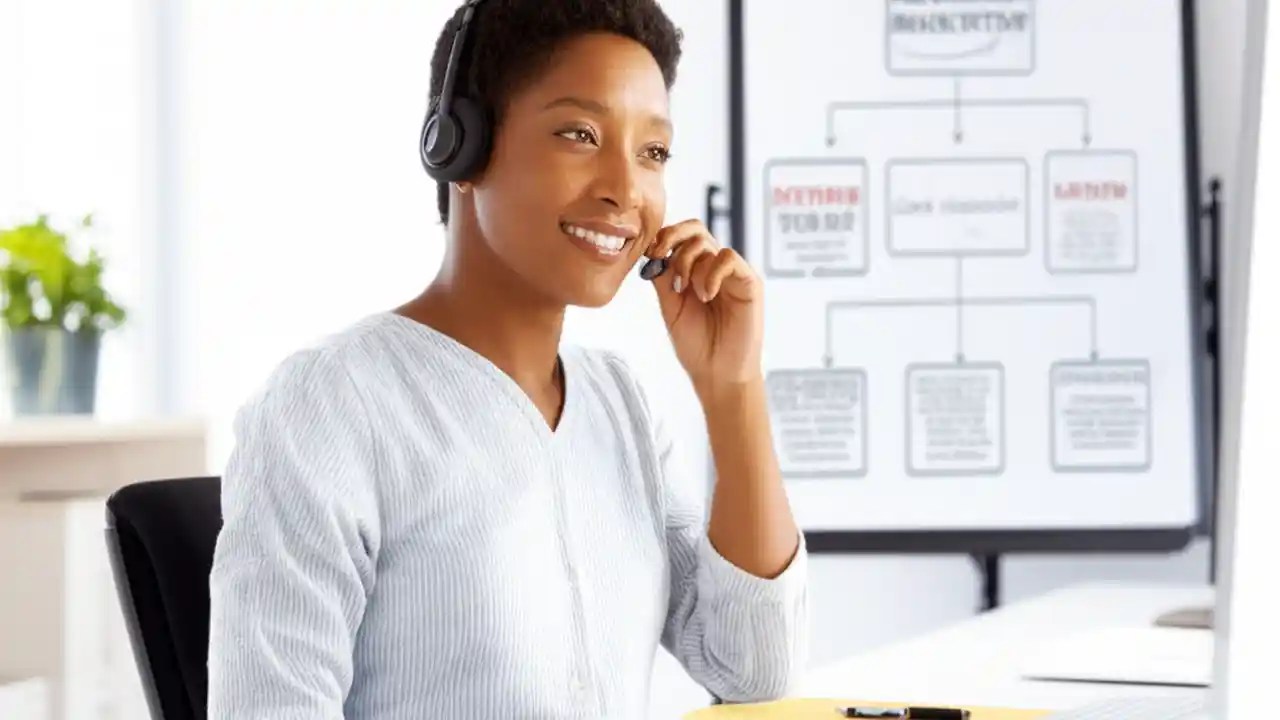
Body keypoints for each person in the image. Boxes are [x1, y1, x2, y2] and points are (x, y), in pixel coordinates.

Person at [206, 0, 808, 717]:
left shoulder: (621, 405)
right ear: (460, 148)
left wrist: (731, 388)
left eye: (652, 152)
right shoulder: (331, 406)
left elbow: (755, 672)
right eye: (580, 134)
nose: (625, 188)